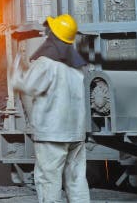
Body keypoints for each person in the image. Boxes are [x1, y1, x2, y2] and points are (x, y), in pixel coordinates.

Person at [10, 14, 89, 203]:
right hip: (76, 134)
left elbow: (28, 85)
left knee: (48, 180)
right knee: (76, 180)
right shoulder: (77, 68)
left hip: (52, 134)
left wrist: (16, 71)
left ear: (53, 36)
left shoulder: (46, 64)